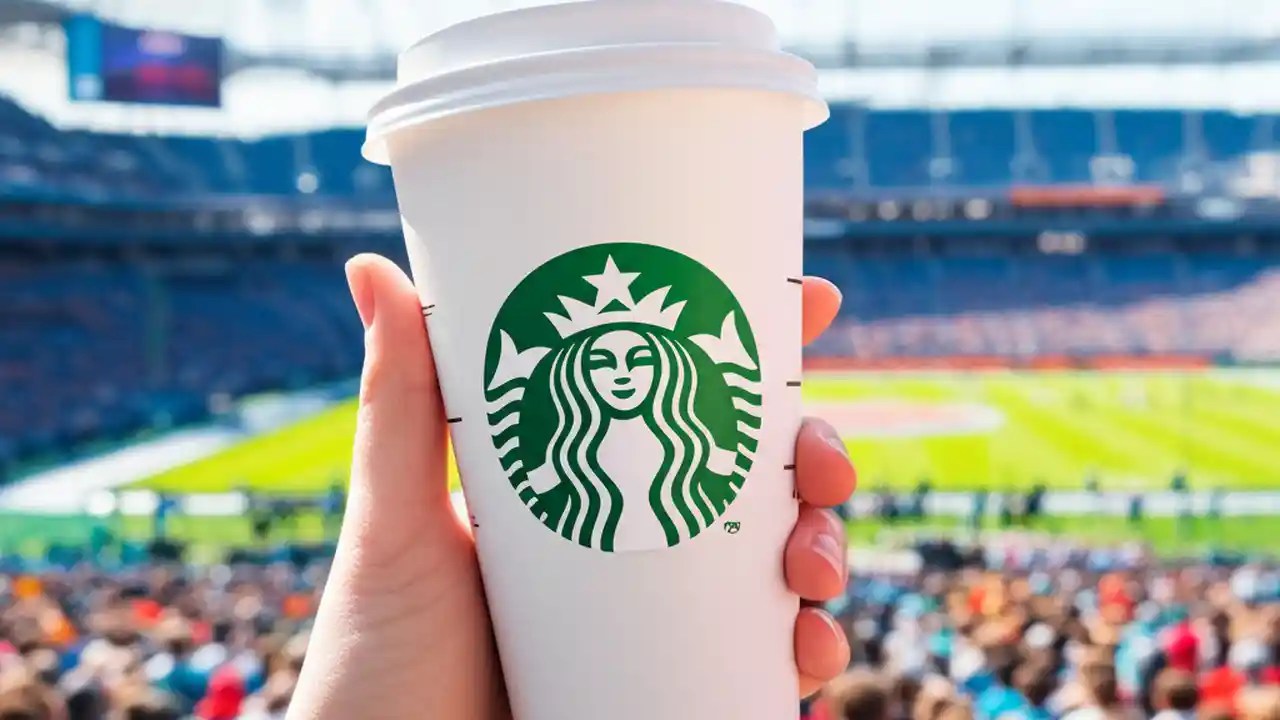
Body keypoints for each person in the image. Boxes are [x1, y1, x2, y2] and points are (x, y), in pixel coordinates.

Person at [286, 255, 857, 718]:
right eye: (602, 361)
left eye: (639, 357)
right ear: (575, 374)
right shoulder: (565, 467)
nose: (623, 374)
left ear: (669, 367)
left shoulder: (690, 455)